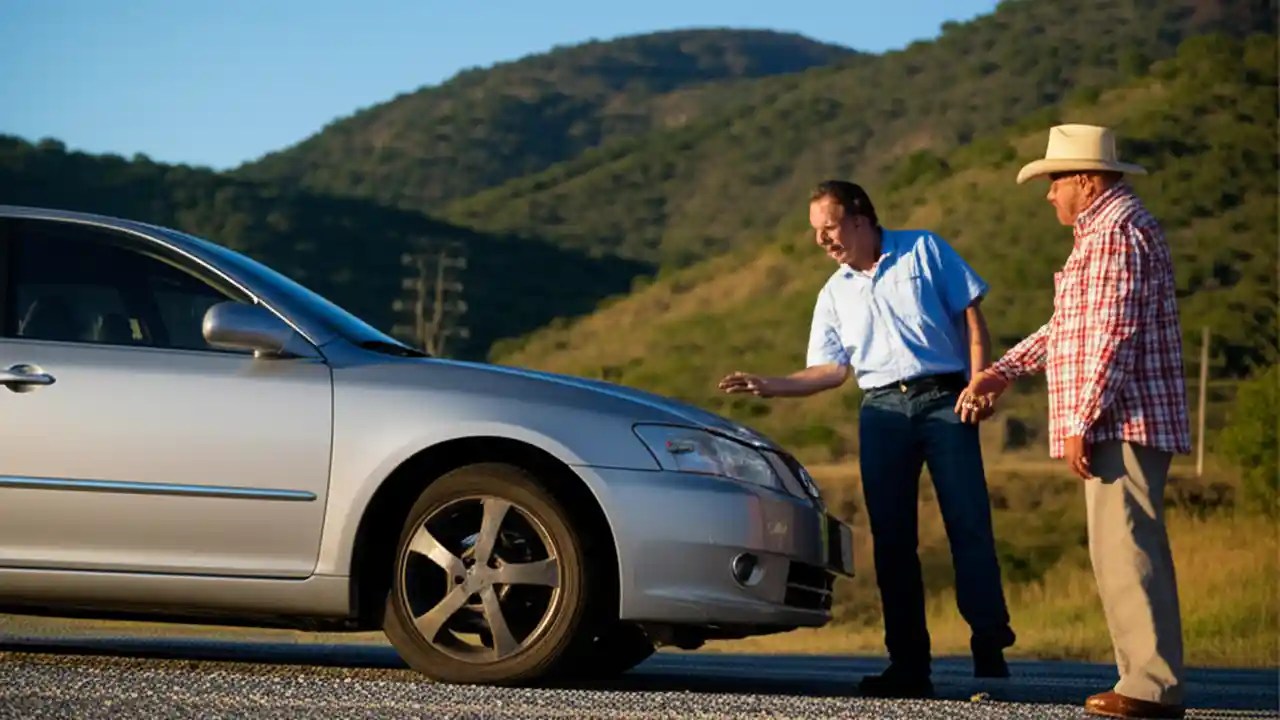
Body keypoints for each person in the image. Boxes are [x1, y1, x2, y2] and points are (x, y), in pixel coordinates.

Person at [719, 180, 1014, 699]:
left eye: (828, 227)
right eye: (816, 231)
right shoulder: (833, 293)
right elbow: (831, 371)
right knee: (893, 541)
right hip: (881, 411)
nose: (822, 240)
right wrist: (772, 385)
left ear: (861, 219)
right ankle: (908, 665)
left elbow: (972, 317)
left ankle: (988, 635)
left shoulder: (924, 248)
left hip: (945, 398)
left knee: (968, 520)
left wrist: (979, 382)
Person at [959, 124, 1191, 720]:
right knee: (1119, 550)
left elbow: (1113, 336)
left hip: (1123, 418)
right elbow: (1069, 328)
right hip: (1117, 416)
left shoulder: (1117, 234)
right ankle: (1141, 680)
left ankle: (1150, 687)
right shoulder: (1103, 234)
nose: (1049, 194)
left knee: (1128, 549)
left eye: (1055, 181)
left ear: (1086, 181)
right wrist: (1004, 370)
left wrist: (1080, 421)